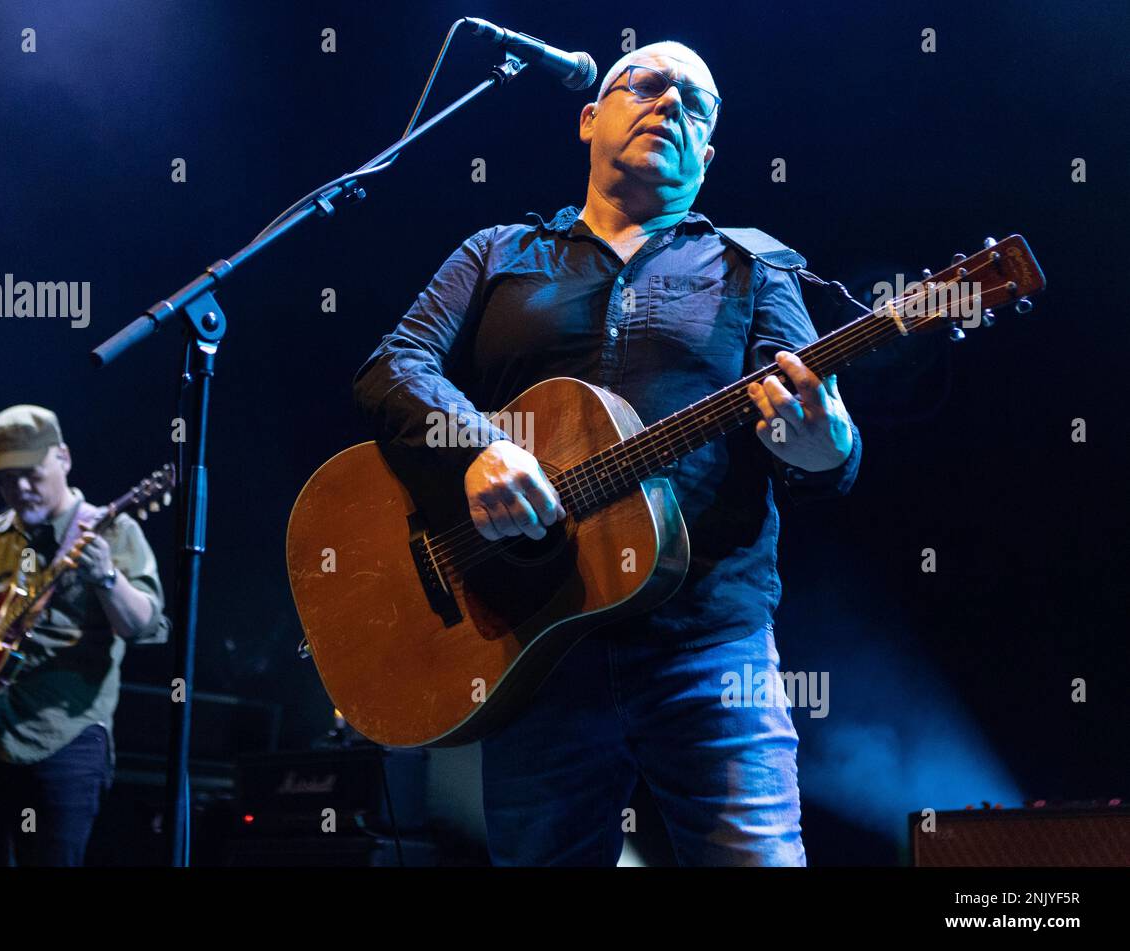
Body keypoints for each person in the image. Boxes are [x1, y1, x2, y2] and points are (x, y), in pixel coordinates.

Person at [352, 42, 860, 865]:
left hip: (707, 646)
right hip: (531, 649)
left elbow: (818, 454)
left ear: (710, 152)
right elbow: (391, 367)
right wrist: (476, 449)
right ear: (588, 117)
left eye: (696, 104)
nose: (671, 106)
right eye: (649, 85)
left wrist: (825, 445)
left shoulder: (759, 269)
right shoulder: (497, 252)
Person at [0, 404, 169, 866]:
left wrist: (107, 577)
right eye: (6, 479)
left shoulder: (114, 530)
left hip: (62, 742)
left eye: (29, 473)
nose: (19, 488)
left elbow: (145, 626)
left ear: (63, 457)